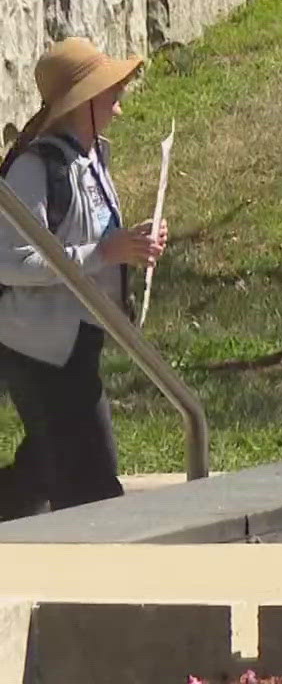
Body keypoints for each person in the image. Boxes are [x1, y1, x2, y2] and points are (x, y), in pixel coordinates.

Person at [0, 37, 166, 518]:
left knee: (43, 467)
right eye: (110, 88)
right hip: (39, 350)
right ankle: (99, 557)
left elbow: (94, 239)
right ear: (83, 100)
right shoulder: (34, 169)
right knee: (92, 482)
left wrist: (134, 243)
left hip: (79, 340)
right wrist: (104, 252)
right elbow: (11, 263)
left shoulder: (91, 160)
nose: (120, 96)